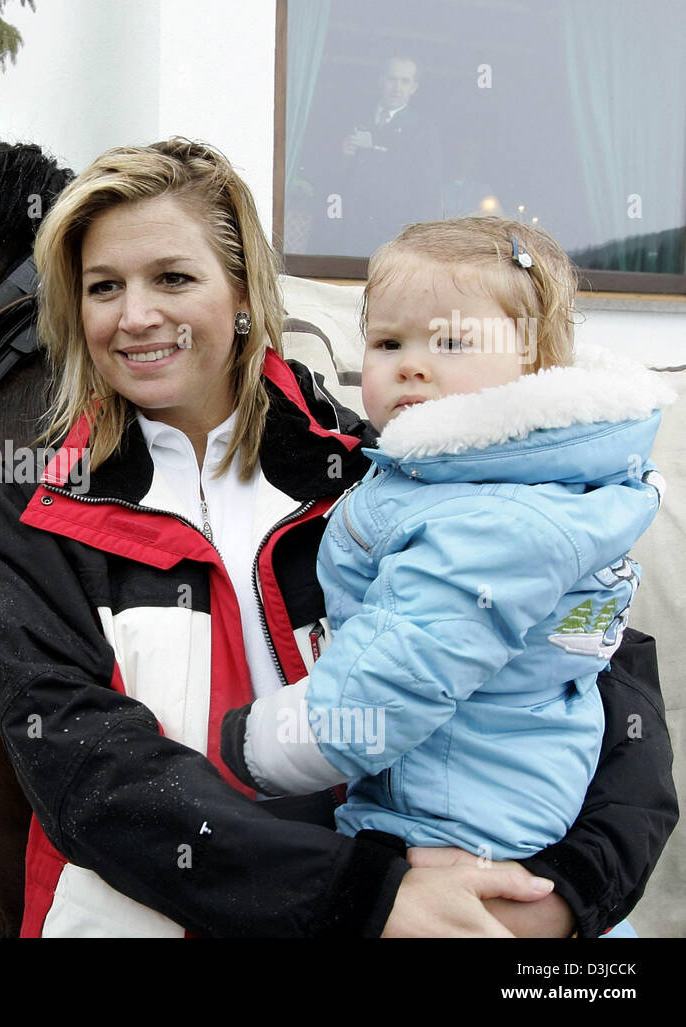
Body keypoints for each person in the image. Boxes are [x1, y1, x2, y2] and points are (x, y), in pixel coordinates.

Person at [0, 139, 677, 937]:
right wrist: (366, 898)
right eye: (104, 287)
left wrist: (561, 894)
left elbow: (607, 696)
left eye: (173, 277)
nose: (136, 315)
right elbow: (87, 771)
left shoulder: (377, 475)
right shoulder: (40, 511)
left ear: (243, 293)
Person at [219, 218, 673, 872]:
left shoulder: (485, 515)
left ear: (537, 365)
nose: (411, 363)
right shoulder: (511, 478)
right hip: (495, 799)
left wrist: (253, 745)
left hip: (452, 826)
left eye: (454, 341)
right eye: (386, 340)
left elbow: (392, 681)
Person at [336, 57, 442, 255]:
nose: (397, 88)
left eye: (405, 81)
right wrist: (344, 156)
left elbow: (428, 190)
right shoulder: (356, 116)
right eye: (392, 79)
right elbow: (334, 178)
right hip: (352, 229)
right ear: (381, 81)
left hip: (394, 233)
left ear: (414, 87)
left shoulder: (423, 130)